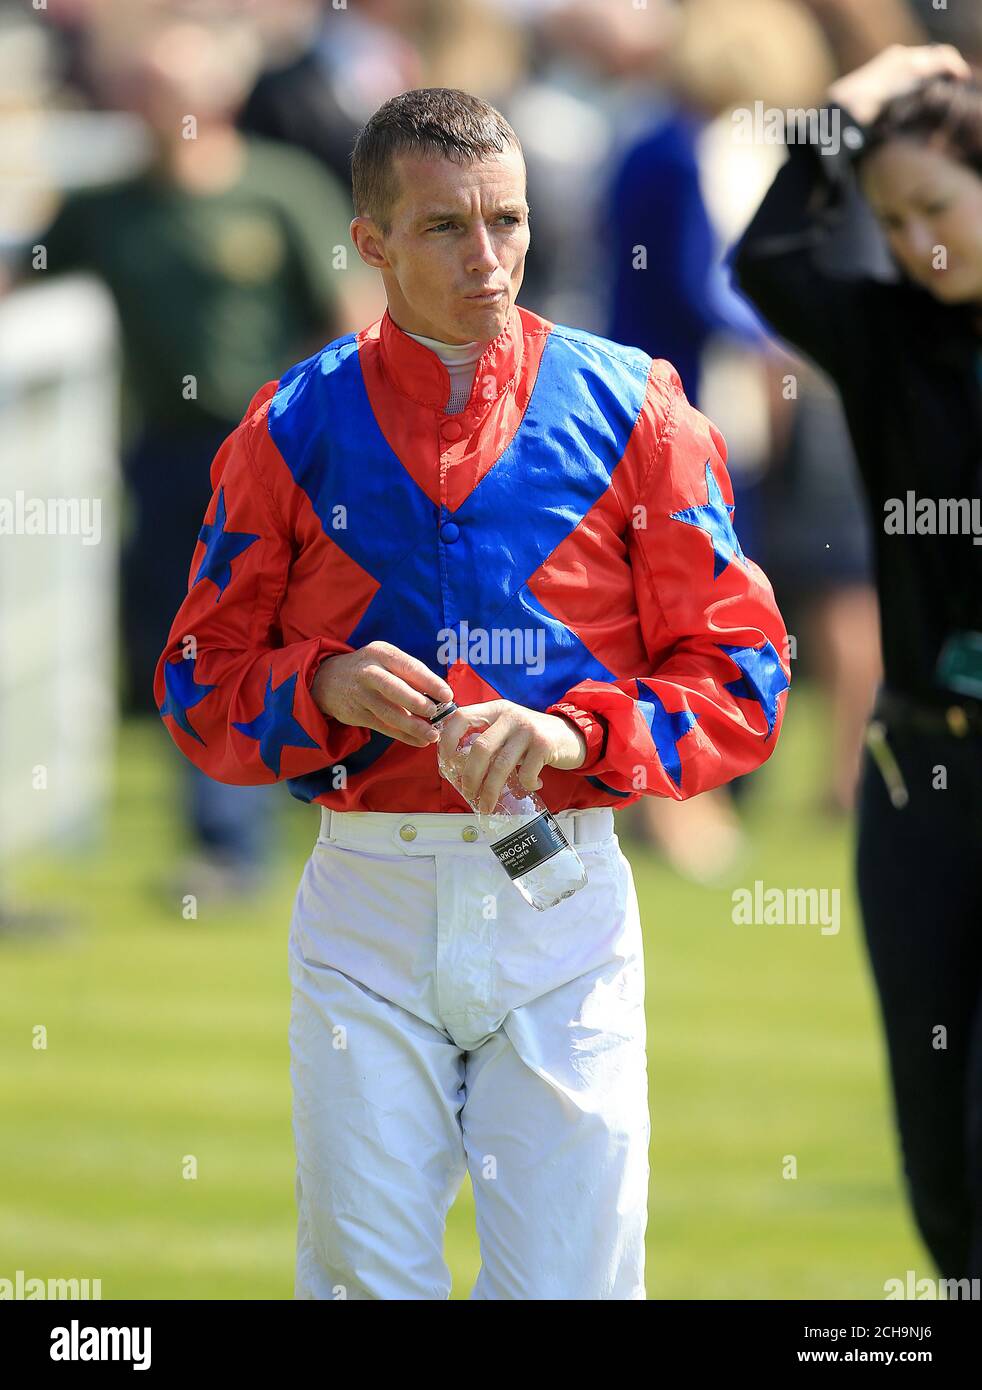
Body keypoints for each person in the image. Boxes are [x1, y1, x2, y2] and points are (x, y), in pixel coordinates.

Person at [154, 87, 790, 1300]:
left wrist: (567, 731)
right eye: (446, 227)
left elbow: (743, 679)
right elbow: (195, 684)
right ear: (372, 243)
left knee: (572, 1288)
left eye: (508, 220)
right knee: (361, 1285)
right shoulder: (289, 425)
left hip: (565, 895)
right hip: (366, 901)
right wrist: (322, 683)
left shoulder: (638, 409)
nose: (488, 258)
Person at [731, 43, 982, 1281]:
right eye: (892, 221)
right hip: (920, 779)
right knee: (938, 1154)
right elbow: (766, 259)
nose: (917, 241)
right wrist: (849, 107)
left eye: (937, 207)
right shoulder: (890, 339)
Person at [35, 17, 357, 898]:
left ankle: (312, 805)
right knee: (199, 642)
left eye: (165, 84)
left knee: (314, 628)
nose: (149, 104)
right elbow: (21, 278)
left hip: (283, 453)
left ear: (215, 93)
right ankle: (225, 843)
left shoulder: (280, 187)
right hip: (170, 457)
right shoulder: (105, 205)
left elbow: (349, 313)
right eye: (136, 84)